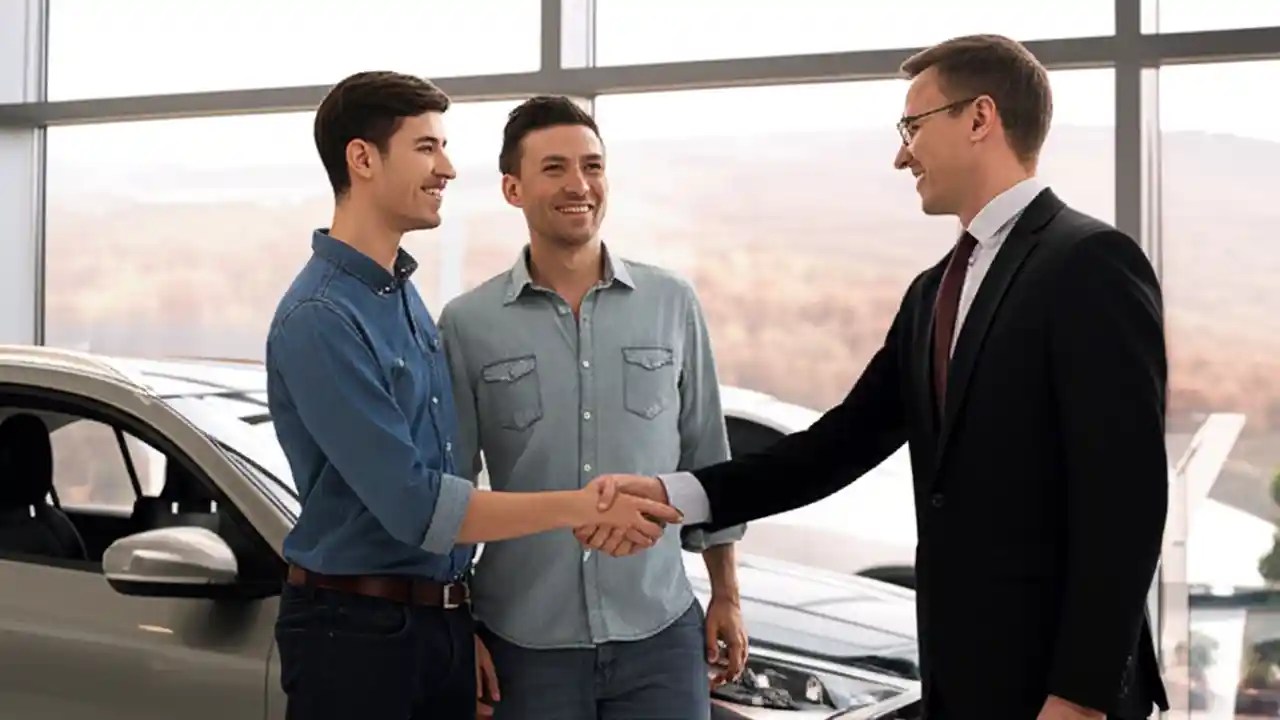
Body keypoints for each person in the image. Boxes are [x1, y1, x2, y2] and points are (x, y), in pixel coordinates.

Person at [586, 35, 1171, 720]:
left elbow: (1125, 504)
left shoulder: (1091, 261)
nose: (902, 154)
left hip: (1057, 692)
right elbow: (836, 445)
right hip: (964, 676)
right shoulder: (933, 292)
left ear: (979, 119)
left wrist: (1079, 696)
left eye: (914, 126)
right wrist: (673, 493)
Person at [265, 72, 681, 720]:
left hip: (433, 627)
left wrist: (459, 615)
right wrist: (581, 505)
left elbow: (449, 469)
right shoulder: (322, 318)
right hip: (355, 638)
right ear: (363, 158)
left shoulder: (398, 294)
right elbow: (416, 504)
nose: (449, 169)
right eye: (427, 147)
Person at [437, 96, 749, 720]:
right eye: (554, 168)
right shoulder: (467, 324)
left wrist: (727, 595)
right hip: (522, 641)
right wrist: (455, 628)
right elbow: (449, 490)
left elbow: (707, 458)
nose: (579, 185)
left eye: (593, 166)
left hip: (659, 635)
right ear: (512, 188)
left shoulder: (671, 302)